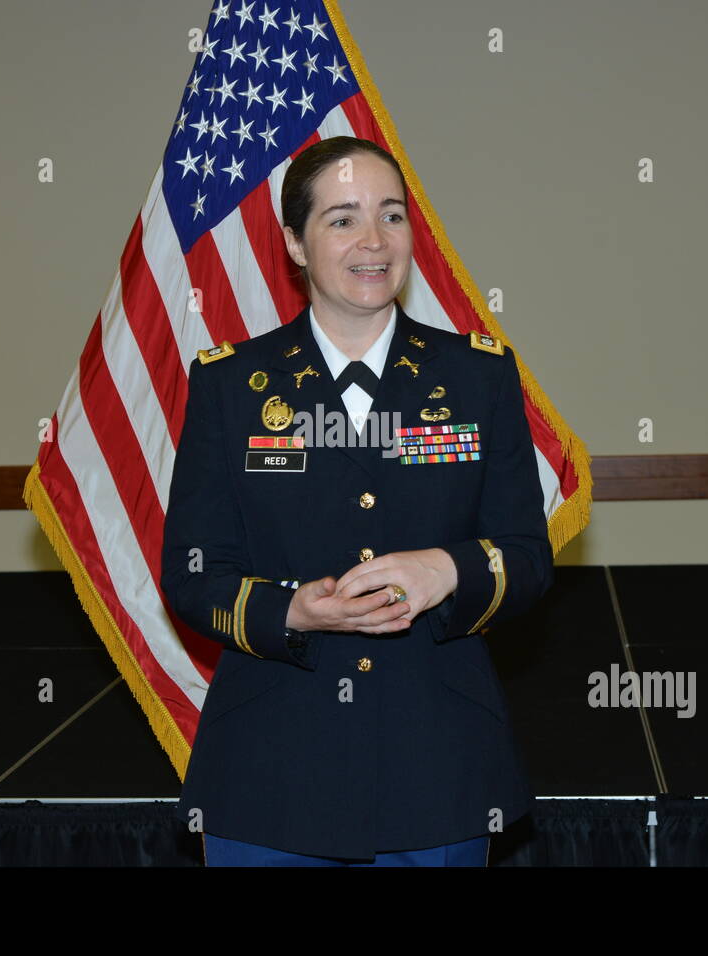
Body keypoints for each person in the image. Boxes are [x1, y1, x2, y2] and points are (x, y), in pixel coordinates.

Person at [160, 135, 554, 866]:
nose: (373, 241)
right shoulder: (229, 386)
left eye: (391, 215)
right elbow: (192, 574)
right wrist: (291, 612)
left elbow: (528, 558)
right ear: (296, 244)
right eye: (342, 219)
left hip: (437, 768)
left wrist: (449, 569)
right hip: (271, 771)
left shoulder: (478, 378)